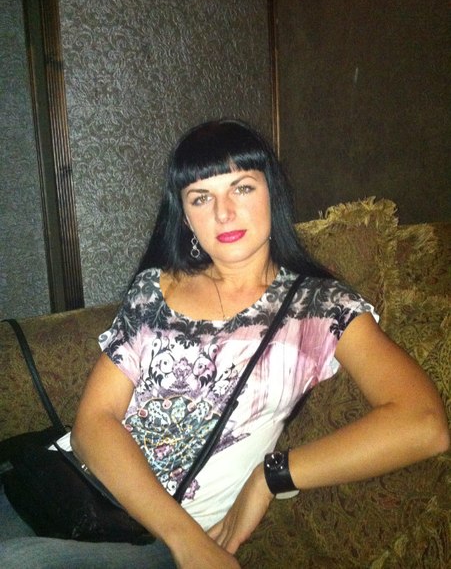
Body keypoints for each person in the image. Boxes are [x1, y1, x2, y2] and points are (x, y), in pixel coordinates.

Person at [0, 119, 448, 569]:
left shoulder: (319, 307)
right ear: (185, 216)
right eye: (201, 197)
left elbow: (423, 423)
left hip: (144, 544)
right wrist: (185, 539)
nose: (224, 213)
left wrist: (270, 476)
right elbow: (94, 423)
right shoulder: (156, 289)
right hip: (61, 488)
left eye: (242, 188)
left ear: (272, 192)